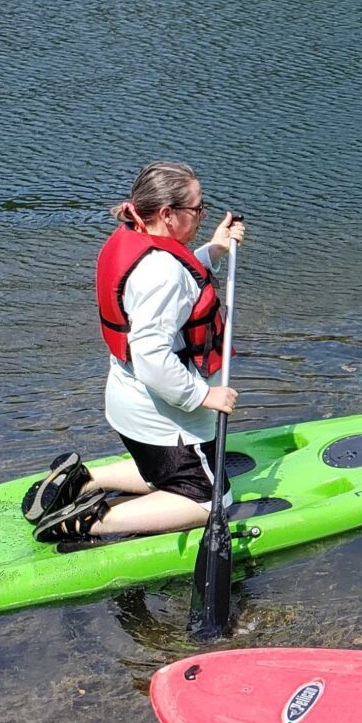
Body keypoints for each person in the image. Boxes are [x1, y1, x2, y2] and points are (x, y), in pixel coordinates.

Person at [24, 160, 246, 544]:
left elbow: (172, 285)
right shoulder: (163, 273)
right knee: (213, 498)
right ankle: (92, 519)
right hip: (164, 420)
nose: (202, 214)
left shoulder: (130, 237)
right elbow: (152, 356)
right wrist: (205, 395)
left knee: (168, 472)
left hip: (128, 404)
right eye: (196, 209)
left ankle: (85, 479)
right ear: (167, 214)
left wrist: (213, 249)